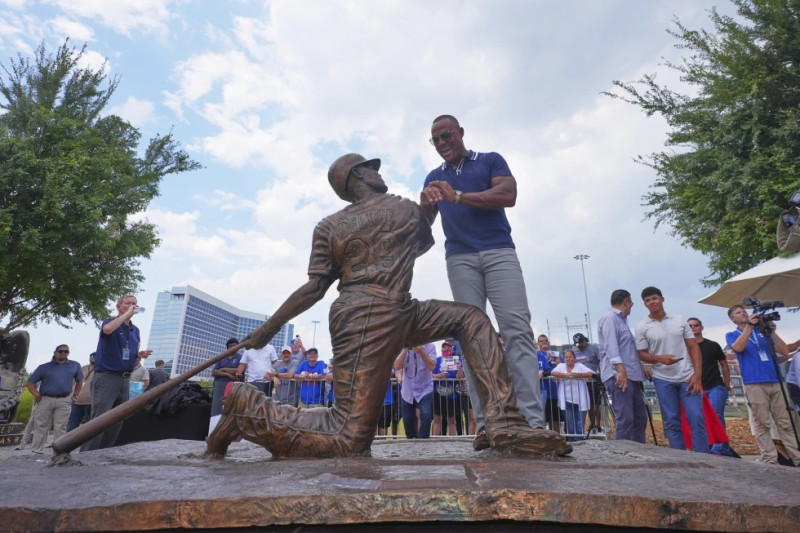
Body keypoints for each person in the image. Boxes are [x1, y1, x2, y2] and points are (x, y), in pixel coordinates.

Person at [205, 153, 570, 459]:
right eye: (372, 167)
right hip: (364, 316)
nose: (379, 172)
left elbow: (315, 287)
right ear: (359, 175)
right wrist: (430, 208)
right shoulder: (392, 212)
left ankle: (505, 424)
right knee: (347, 437)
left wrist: (268, 327)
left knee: (470, 319)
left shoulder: (334, 224)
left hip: (399, 309)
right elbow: (413, 239)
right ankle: (247, 408)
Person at [420, 115, 544, 451]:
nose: (442, 143)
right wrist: (423, 207)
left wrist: (458, 196)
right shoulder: (434, 177)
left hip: (499, 251)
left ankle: (533, 423)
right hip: (459, 258)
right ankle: (488, 424)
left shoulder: (489, 160)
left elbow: (508, 194)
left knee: (516, 330)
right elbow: (423, 227)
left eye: (447, 135)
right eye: (435, 140)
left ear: (461, 133)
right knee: (471, 339)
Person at [635, 287, 708, 453]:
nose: (651, 302)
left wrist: (697, 374)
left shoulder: (679, 319)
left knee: (696, 417)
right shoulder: (642, 326)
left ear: (662, 299)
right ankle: (680, 458)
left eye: (654, 298)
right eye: (647, 300)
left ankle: (703, 456)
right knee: (671, 421)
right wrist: (659, 359)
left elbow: (694, 348)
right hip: (663, 378)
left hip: (687, 376)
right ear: (645, 304)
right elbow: (642, 354)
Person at [725, 304, 800, 466]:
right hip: (754, 383)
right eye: (739, 312)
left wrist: (772, 331)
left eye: (744, 311)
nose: (743, 313)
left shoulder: (763, 333)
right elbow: (738, 347)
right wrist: (750, 327)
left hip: (776, 380)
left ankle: (797, 458)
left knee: (785, 422)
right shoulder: (732, 334)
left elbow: (784, 351)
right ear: (733, 319)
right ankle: (769, 458)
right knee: (762, 423)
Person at [81, 294, 152, 451]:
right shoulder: (110, 323)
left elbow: (130, 357)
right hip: (107, 377)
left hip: (125, 379)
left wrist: (139, 355)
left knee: (117, 419)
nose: (132, 306)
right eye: (128, 303)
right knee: (100, 418)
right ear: (118, 306)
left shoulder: (135, 331)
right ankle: (86, 454)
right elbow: (107, 330)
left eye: (134, 303)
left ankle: (104, 453)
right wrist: (126, 315)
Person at [597, 290, 647, 443]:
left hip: (631, 374)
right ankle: (623, 455)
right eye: (631, 304)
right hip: (619, 375)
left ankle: (639, 450)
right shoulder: (610, 318)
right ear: (626, 302)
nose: (631, 307)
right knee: (626, 419)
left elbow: (627, 349)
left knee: (639, 417)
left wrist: (642, 366)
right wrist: (620, 370)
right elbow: (611, 346)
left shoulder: (622, 320)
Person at [688, 317, 736, 456]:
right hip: (697, 388)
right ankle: (708, 446)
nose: (693, 328)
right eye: (690, 326)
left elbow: (724, 365)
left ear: (701, 327)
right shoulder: (685, 348)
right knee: (699, 418)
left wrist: (727, 384)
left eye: (696, 325)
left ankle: (720, 448)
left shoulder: (713, 345)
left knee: (716, 415)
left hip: (715, 386)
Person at [26, 345, 84, 454]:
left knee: (61, 427)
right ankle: (36, 452)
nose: (63, 353)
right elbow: (30, 383)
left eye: (66, 351)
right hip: (45, 400)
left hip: (64, 400)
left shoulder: (75, 365)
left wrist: (75, 395)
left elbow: (80, 381)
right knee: (41, 426)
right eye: (61, 351)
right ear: (55, 352)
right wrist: (36, 395)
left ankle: (60, 453)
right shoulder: (44, 367)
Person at [550, 349, 594, 442]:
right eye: (566, 357)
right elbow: (553, 373)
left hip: (580, 400)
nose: (568, 359)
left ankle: (580, 443)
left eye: (570, 357)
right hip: (566, 401)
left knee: (579, 424)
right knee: (569, 424)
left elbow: (591, 373)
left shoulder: (580, 366)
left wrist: (581, 375)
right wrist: (567, 375)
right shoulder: (561, 366)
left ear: (574, 358)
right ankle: (571, 443)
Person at [395, 344, 435, 439]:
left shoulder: (430, 346)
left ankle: (423, 439)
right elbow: (397, 366)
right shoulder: (403, 346)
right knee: (407, 419)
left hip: (425, 387)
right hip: (408, 390)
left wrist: (421, 351)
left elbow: (432, 366)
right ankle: (411, 439)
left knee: (426, 415)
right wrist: (405, 350)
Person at [572, 333, 603, 435]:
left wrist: (599, 374)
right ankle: (590, 425)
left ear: (585, 340)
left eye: (581, 343)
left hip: (592, 379)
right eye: (577, 344)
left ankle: (597, 426)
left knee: (594, 404)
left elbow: (601, 361)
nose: (579, 346)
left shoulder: (593, 348)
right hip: (579, 381)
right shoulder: (574, 349)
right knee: (585, 405)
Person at [432, 340, 463, 436]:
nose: (446, 349)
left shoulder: (457, 360)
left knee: (451, 420)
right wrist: (440, 376)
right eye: (444, 347)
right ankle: (435, 439)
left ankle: (452, 441)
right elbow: (431, 375)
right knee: (437, 419)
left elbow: (459, 377)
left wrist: (459, 368)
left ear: (452, 348)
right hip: (437, 391)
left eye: (448, 347)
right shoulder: (437, 360)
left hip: (451, 394)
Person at [210, 338, 243, 417]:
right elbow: (214, 372)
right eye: (230, 346)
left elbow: (238, 371)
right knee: (217, 410)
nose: (232, 347)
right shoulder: (222, 357)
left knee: (232, 410)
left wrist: (223, 369)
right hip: (219, 387)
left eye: (234, 345)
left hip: (234, 388)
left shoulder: (241, 357)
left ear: (238, 347)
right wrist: (227, 374)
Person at [536, 335, 561, 432]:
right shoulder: (536, 354)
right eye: (541, 341)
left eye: (546, 341)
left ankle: (557, 437)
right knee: (541, 417)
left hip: (554, 392)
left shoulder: (556, 355)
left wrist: (559, 363)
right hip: (541, 390)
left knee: (556, 418)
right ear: (538, 343)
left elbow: (564, 367)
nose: (544, 343)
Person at [67, 352, 95, 432]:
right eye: (91, 356)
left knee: (91, 426)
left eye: (95, 356)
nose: (93, 357)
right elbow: (72, 381)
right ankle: (69, 443)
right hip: (76, 402)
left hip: (90, 402)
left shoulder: (101, 370)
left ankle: (90, 443)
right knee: (72, 425)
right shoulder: (83, 368)